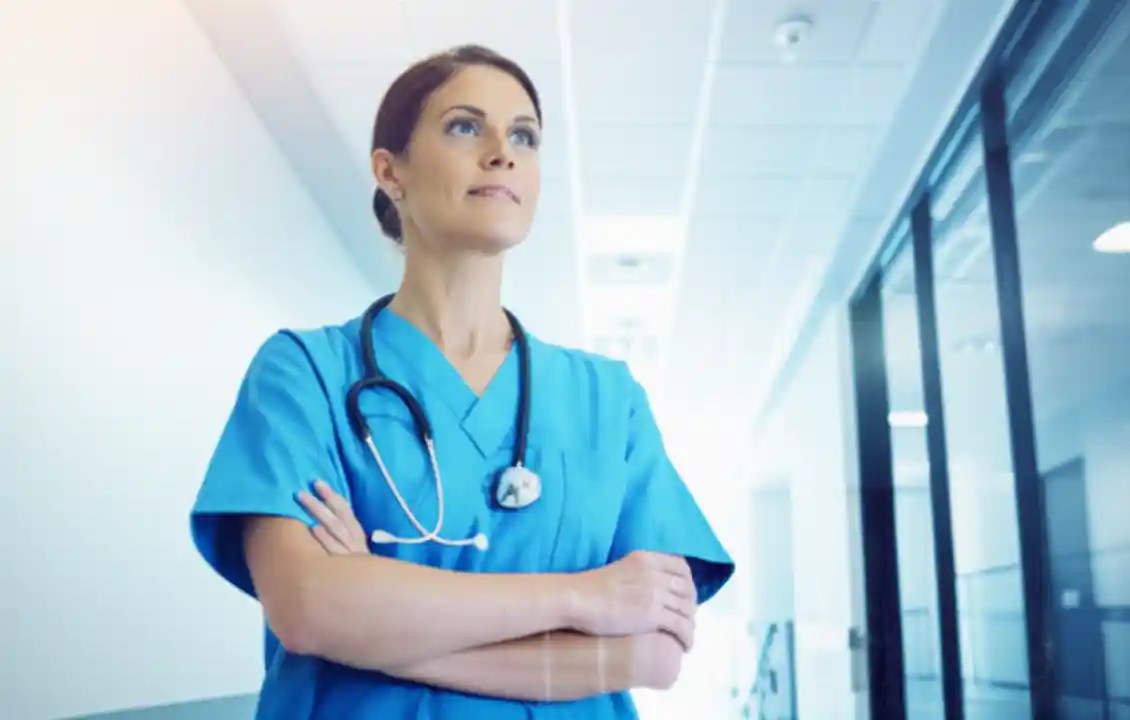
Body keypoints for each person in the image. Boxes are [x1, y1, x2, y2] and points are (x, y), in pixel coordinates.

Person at [189, 44, 735, 719]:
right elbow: (306, 609)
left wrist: (371, 616)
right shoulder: (305, 374)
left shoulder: (607, 401)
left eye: (525, 136)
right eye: (465, 126)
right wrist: (582, 598)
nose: (503, 152)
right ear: (391, 172)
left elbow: (653, 654)